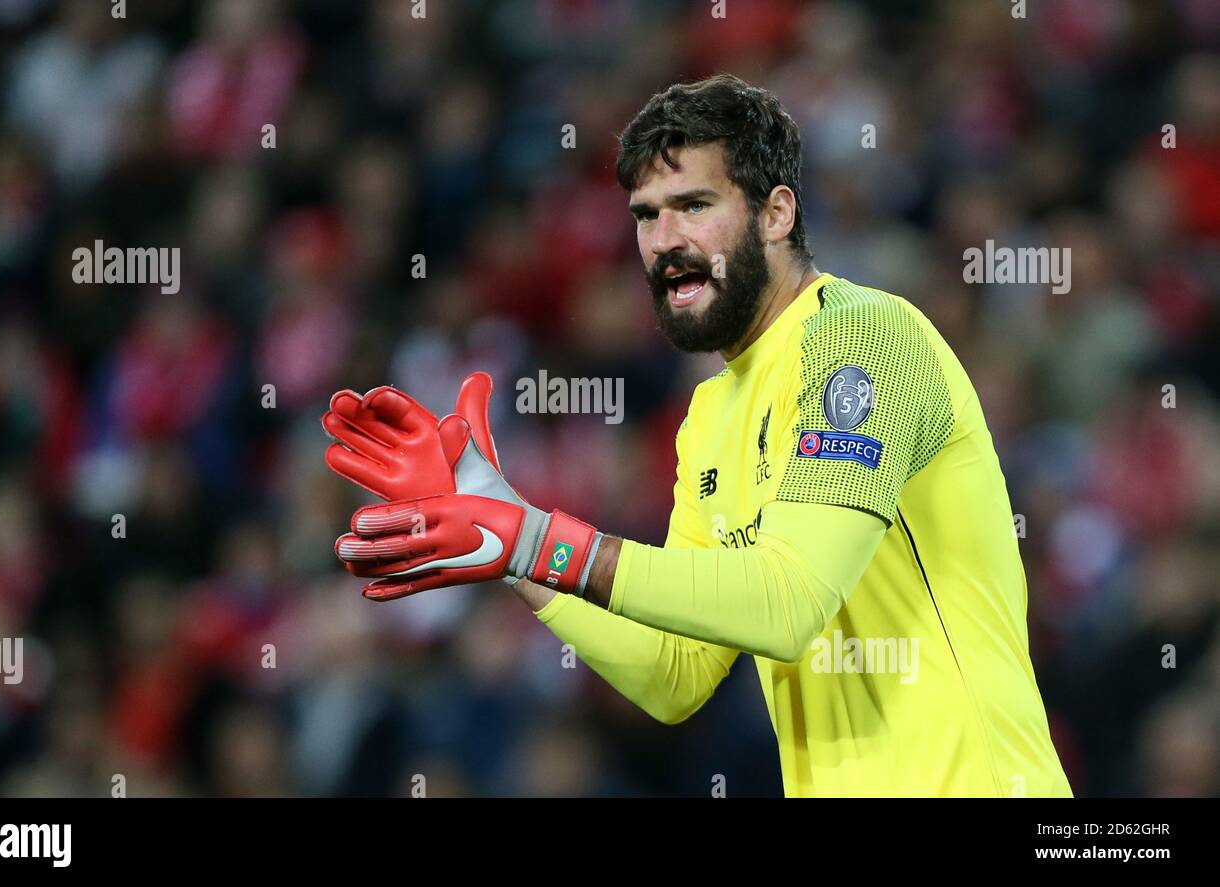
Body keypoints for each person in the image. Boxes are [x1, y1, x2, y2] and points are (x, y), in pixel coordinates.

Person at [323, 74, 1072, 798]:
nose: (664, 240)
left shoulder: (863, 341)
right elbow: (673, 673)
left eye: (694, 204)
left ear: (776, 214)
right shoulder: (712, 415)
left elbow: (790, 600)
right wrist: (510, 547)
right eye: (647, 214)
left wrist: (536, 540)